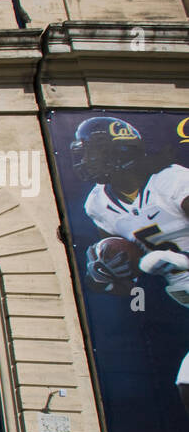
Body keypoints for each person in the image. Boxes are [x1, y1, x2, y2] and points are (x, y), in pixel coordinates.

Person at [74, 116, 189, 413]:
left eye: (92, 151)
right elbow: (125, 279)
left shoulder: (171, 181)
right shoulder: (98, 203)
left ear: (120, 151)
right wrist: (104, 273)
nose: (85, 159)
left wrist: (183, 260)